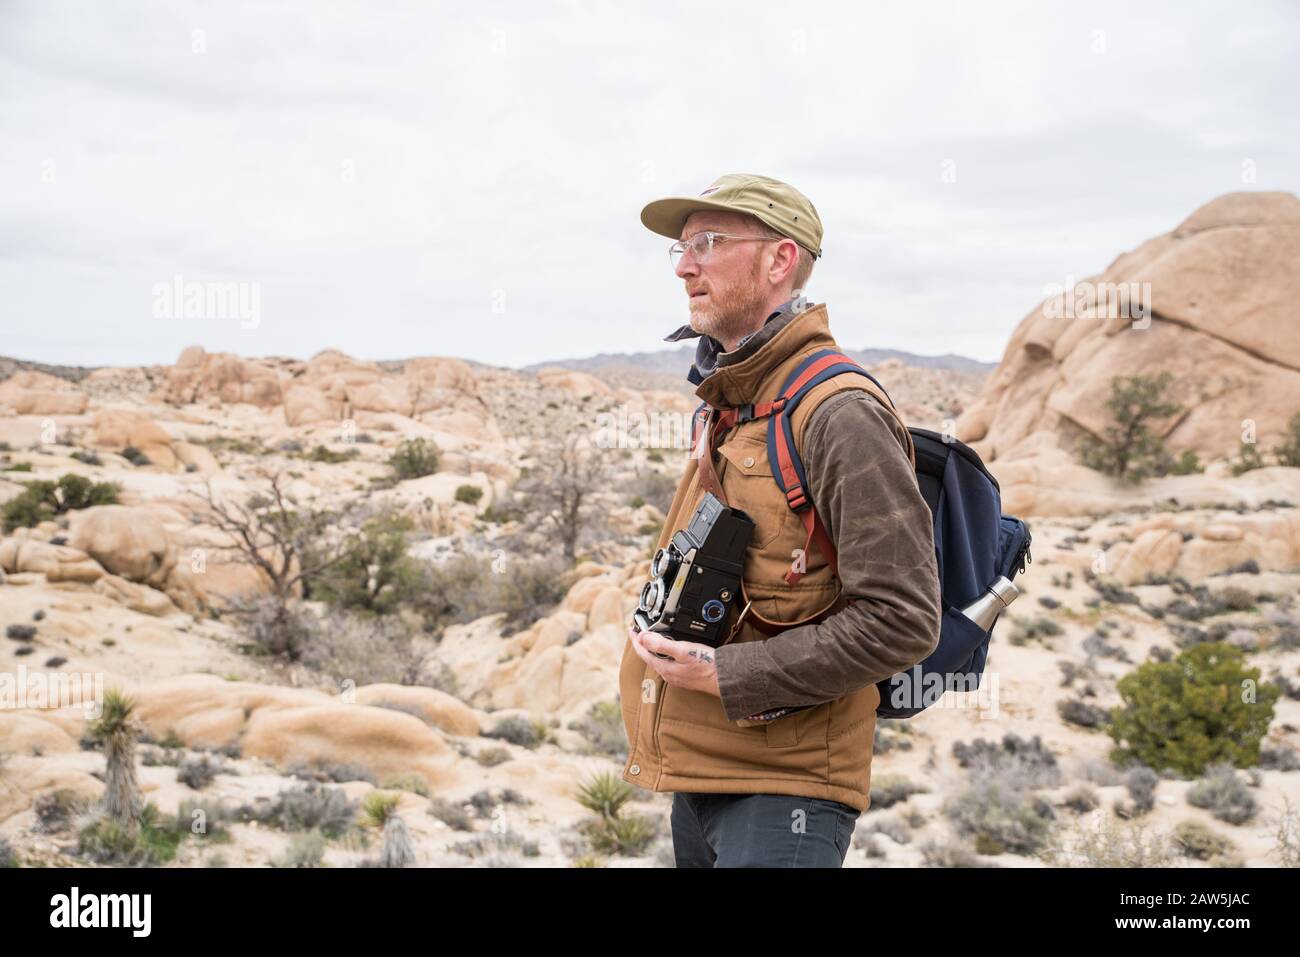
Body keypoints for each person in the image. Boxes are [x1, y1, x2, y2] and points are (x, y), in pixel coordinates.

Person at [617, 173, 942, 867]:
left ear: (779, 260)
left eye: (708, 242)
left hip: (783, 797)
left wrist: (727, 674)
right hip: (700, 777)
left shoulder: (836, 411)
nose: (684, 265)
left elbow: (905, 618)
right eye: (679, 247)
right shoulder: (735, 400)